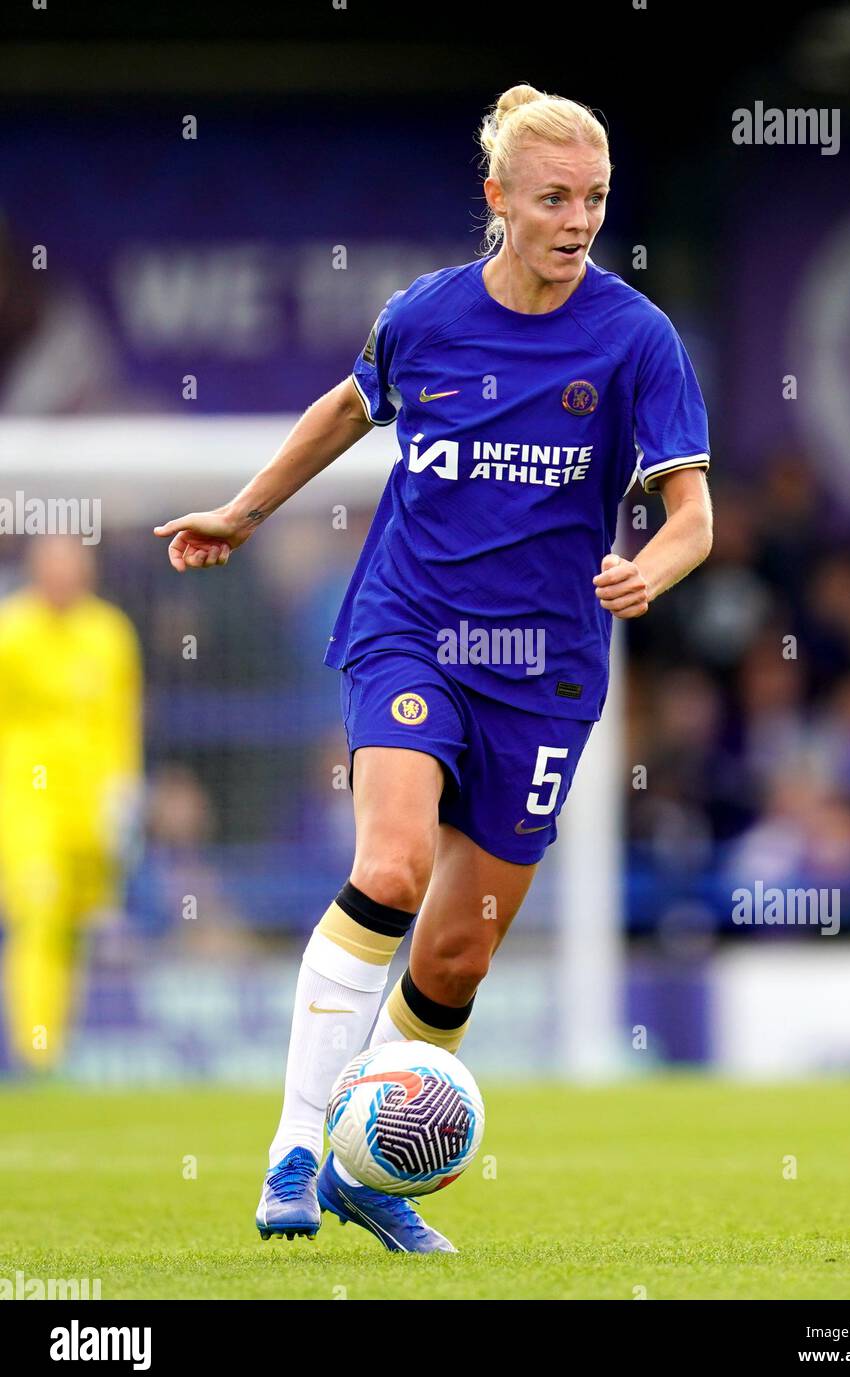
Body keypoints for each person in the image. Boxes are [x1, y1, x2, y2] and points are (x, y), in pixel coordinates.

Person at [154, 84, 713, 1253]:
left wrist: (649, 571)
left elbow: (691, 515)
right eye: (552, 197)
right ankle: (298, 1145)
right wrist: (250, 513)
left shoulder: (634, 338)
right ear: (496, 197)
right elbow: (346, 407)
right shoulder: (425, 316)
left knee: (457, 950)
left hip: (545, 669)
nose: (575, 220)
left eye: (595, 199)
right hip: (409, 627)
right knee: (395, 864)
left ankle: (370, 1164)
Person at [0, 536, 142, 1072]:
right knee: (36, 911)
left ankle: (56, 1047)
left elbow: (123, 718)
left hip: (94, 802)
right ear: (36, 571)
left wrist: (125, 792)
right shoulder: (10, 633)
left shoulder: (109, 633)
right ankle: (37, 1052)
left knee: (79, 928)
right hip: (27, 799)